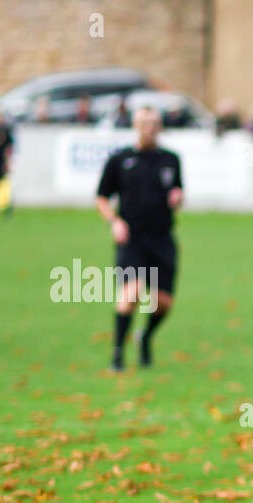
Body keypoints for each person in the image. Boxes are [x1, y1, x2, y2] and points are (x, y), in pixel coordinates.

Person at [95, 107, 183, 372]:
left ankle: (144, 338)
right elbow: (101, 198)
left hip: (162, 239)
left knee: (163, 303)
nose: (150, 127)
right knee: (131, 293)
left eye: (154, 122)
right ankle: (118, 354)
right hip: (132, 239)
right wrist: (114, 221)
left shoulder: (171, 160)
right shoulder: (120, 159)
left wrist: (177, 199)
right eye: (145, 122)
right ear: (135, 125)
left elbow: (178, 192)